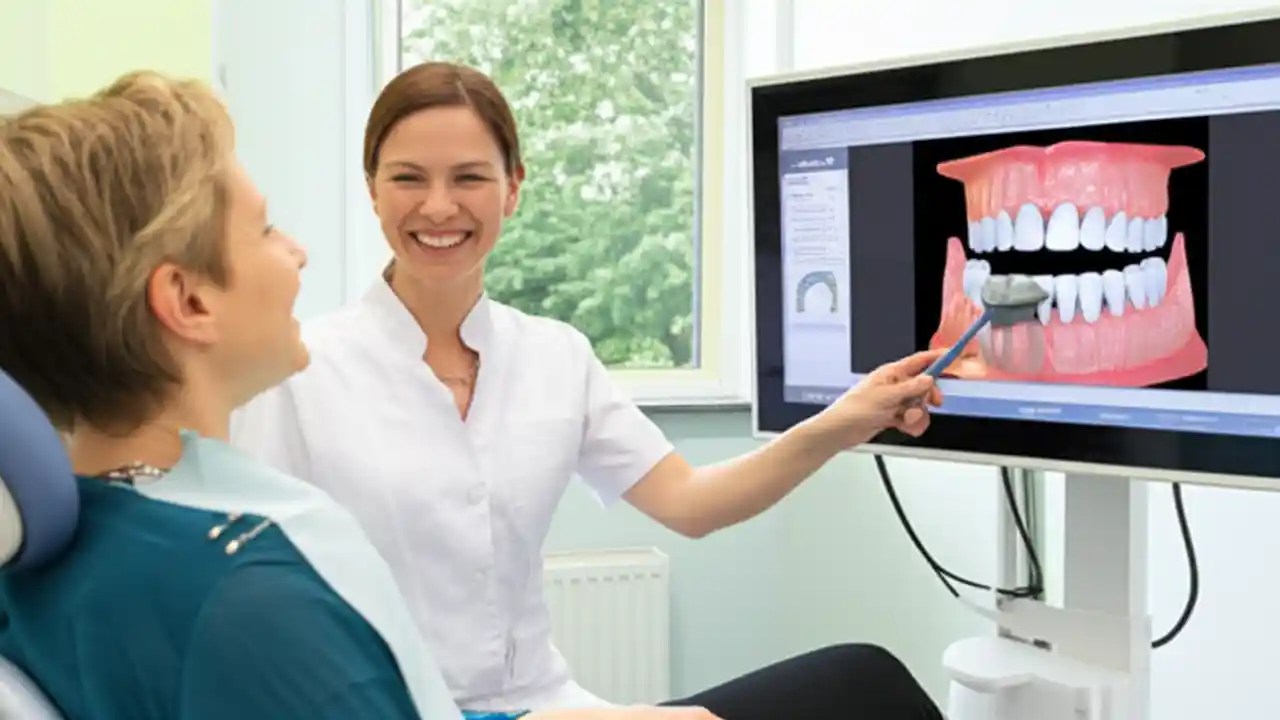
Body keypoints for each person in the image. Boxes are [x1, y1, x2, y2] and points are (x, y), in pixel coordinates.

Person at [230, 61, 946, 719]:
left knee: (867, 684)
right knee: (862, 683)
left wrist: (842, 423)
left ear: (513, 187)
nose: (439, 206)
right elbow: (256, 596)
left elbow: (691, 505)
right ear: (373, 189)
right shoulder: (301, 368)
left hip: (549, 705)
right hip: (398, 709)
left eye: (470, 178)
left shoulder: (554, 357)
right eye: (409, 178)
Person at [0, 70, 722, 720]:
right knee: (837, 679)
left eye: (469, 177)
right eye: (265, 228)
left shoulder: (93, 535)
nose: (298, 252)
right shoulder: (253, 593)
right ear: (187, 301)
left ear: (513, 186)